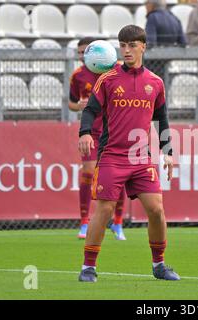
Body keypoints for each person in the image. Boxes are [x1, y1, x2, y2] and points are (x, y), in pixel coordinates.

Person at [77, 25, 180, 282]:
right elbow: (89, 110)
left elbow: (162, 119)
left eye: (132, 45)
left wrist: (167, 151)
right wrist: (85, 132)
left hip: (140, 157)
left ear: (143, 46)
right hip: (112, 155)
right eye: (123, 45)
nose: (127, 50)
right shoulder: (108, 79)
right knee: (105, 209)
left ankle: (159, 265)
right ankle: (88, 267)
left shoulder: (155, 82)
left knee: (156, 209)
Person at [69, 37, 127, 241]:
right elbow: (71, 103)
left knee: (117, 176)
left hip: (115, 131)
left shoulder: (117, 69)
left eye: (86, 51)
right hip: (92, 131)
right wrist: (81, 106)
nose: (83, 55)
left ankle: (118, 222)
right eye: (80, 52)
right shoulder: (78, 75)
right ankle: (84, 221)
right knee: (88, 171)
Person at [145, 0, 187, 81]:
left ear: (151, 5)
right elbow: (183, 42)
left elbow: (150, 43)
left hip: (153, 64)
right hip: (169, 63)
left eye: (146, 4)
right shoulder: (174, 17)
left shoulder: (152, 17)